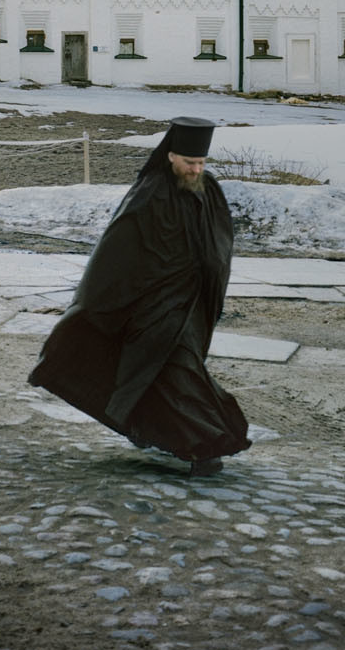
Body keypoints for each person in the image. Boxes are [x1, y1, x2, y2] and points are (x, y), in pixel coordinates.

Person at [28, 116, 250, 476]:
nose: (195, 170)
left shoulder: (209, 188)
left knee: (178, 370)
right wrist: (96, 303)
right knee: (174, 372)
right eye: (189, 163)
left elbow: (220, 239)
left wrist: (209, 275)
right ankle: (205, 448)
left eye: (201, 163)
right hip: (152, 305)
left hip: (190, 303)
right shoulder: (149, 193)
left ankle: (156, 430)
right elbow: (117, 249)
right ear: (171, 157)